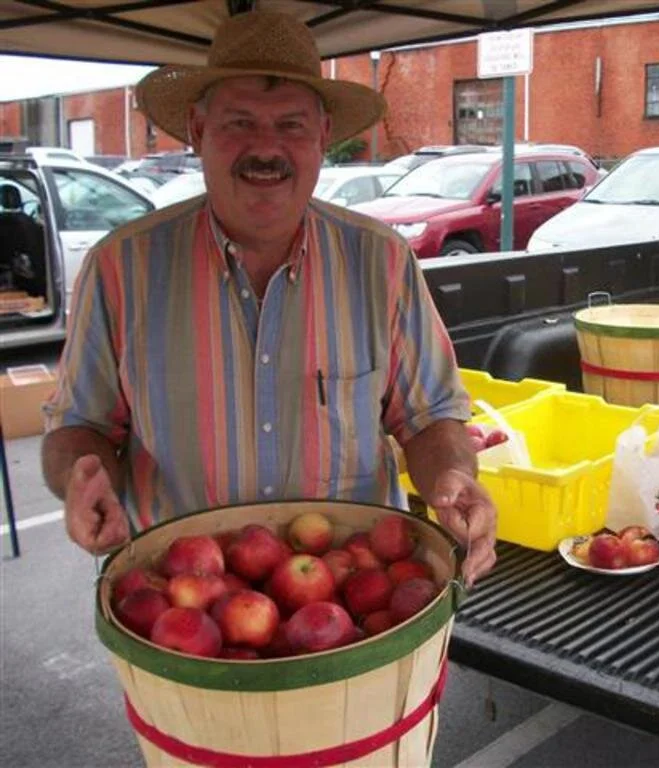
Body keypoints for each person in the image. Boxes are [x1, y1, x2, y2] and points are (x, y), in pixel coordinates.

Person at [40, 10, 497, 586]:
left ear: (323, 137)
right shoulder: (120, 267)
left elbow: (430, 418)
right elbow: (76, 426)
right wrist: (83, 477)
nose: (266, 149)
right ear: (199, 131)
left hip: (358, 606)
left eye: (291, 126)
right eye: (239, 123)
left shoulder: (382, 262)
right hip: (184, 615)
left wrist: (452, 477)